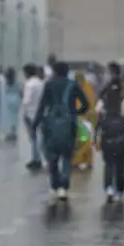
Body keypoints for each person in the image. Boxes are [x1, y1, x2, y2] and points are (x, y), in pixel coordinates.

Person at [37, 60, 90, 200]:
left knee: (52, 157)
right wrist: (74, 113)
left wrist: (36, 123)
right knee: (67, 156)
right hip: (69, 126)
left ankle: (55, 185)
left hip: (51, 126)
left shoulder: (49, 85)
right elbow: (86, 104)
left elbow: (42, 106)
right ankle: (64, 186)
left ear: (54, 71)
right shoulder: (73, 85)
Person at [96, 73, 124, 203]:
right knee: (120, 165)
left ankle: (108, 188)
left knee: (108, 164)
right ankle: (119, 190)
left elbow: (98, 117)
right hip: (121, 137)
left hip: (107, 137)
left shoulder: (103, 101)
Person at [21, 63, 46, 171]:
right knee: (40, 137)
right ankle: (40, 158)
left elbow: (26, 101)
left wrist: (24, 113)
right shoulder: (41, 83)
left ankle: (36, 159)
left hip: (30, 114)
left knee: (33, 138)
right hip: (40, 113)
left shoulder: (29, 84)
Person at [72, 71, 97, 171]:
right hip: (80, 120)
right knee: (80, 142)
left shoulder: (86, 89)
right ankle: (83, 161)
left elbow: (91, 106)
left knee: (85, 141)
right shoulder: (81, 89)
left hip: (85, 121)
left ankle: (80, 160)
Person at [0, 67, 22, 143]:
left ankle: (11, 133)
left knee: (9, 118)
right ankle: (13, 133)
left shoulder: (5, 83)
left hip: (8, 100)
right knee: (14, 119)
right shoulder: (18, 82)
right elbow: (21, 92)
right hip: (16, 100)